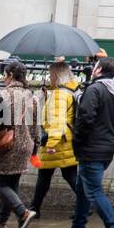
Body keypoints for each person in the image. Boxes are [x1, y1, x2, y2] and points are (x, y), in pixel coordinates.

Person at [60, 56, 114, 228]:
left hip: (91, 148)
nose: (93, 68)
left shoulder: (94, 89)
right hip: (106, 148)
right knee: (83, 188)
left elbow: (86, 118)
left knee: (94, 190)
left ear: (99, 70)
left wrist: (78, 139)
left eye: (95, 66)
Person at [0, 59, 40, 228]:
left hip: (7, 145)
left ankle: (22, 212)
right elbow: (36, 127)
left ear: (9, 75)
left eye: (5, 74)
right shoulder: (32, 96)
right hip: (26, 146)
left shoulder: (2, 94)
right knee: (11, 184)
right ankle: (1, 222)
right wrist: (34, 149)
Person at [28, 59, 79, 219]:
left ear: (56, 75)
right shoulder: (70, 90)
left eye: (51, 74)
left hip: (56, 142)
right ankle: (35, 207)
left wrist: (50, 144)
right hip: (66, 140)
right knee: (63, 175)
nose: (49, 77)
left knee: (51, 176)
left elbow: (57, 120)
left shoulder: (59, 94)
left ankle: (35, 208)